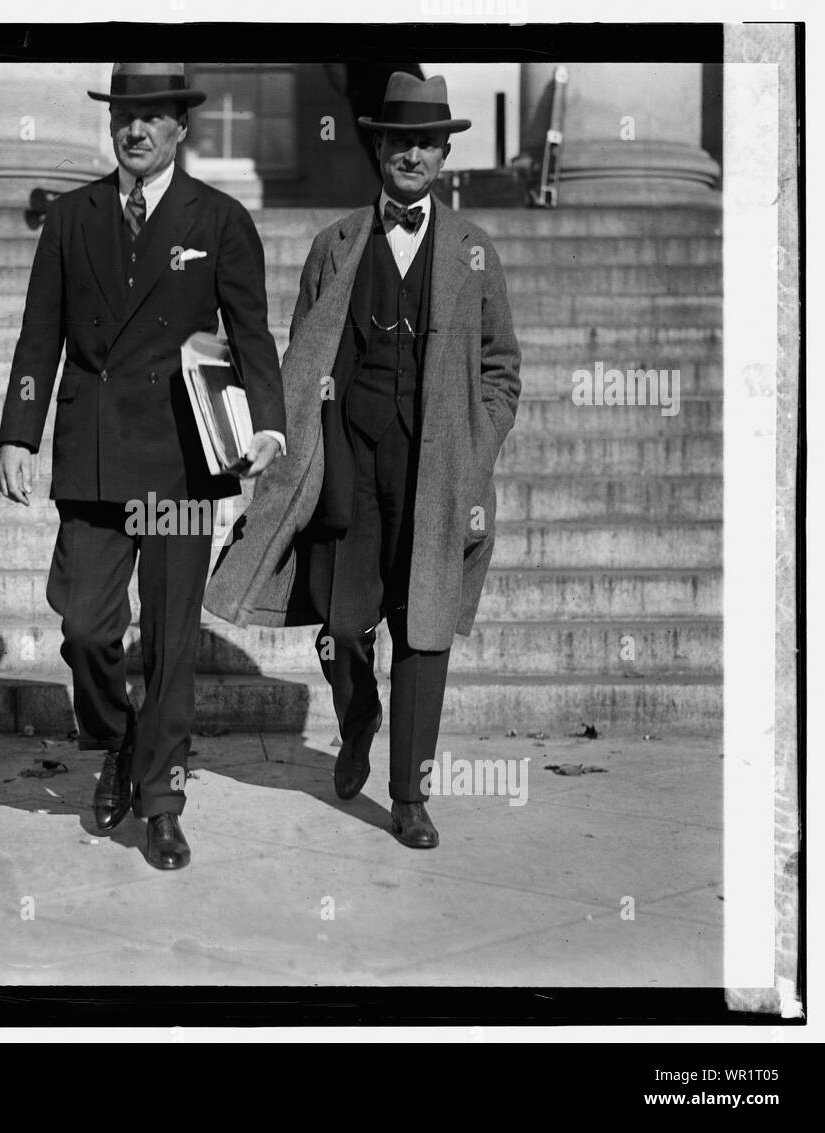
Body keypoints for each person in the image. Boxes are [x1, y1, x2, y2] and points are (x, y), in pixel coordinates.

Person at [205, 73, 521, 850]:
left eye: (427, 141)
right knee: (345, 625)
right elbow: (302, 346)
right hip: (347, 457)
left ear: (445, 154)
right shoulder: (335, 245)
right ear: (377, 146)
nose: (412, 153)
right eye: (398, 139)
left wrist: (478, 443)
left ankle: (409, 796)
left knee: (423, 627)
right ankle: (357, 718)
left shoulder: (476, 253)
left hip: (436, 465)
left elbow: (502, 368)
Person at [0, 63, 286, 870]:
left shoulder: (220, 219)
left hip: (182, 458)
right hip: (92, 455)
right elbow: (37, 335)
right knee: (87, 627)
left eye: (153, 116)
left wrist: (266, 424)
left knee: (168, 637)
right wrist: (18, 431)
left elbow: (251, 335)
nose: (136, 128)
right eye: (125, 113)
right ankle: (120, 738)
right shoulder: (71, 217)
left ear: (180, 128)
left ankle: (160, 799)